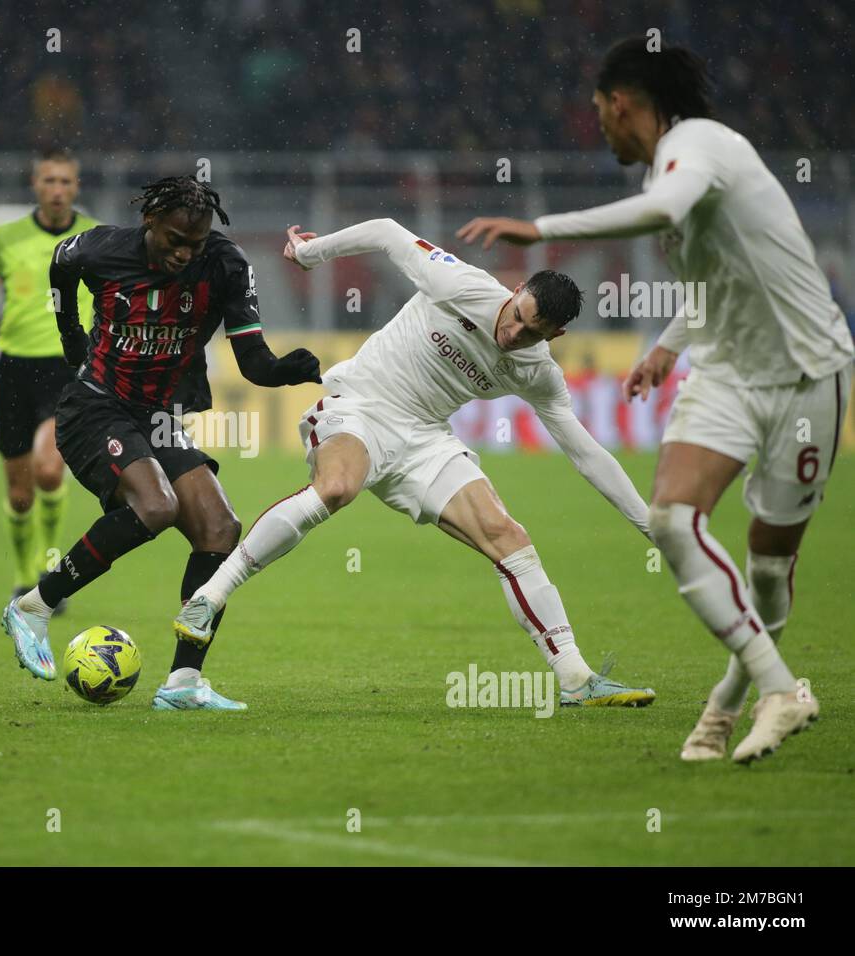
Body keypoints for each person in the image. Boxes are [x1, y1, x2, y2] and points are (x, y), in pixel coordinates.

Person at [457, 36, 852, 763]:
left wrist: (539, 229)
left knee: (769, 566)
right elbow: (714, 275)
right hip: (729, 372)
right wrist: (671, 343)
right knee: (673, 519)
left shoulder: (697, 146)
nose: (598, 125)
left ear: (621, 103)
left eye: (599, 112)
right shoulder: (672, 165)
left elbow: (665, 206)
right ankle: (781, 689)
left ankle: (724, 707)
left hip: (806, 372)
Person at [176, 217, 656, 708]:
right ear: (514, 291)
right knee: (337, 487)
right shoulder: (461, 284)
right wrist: (309, 255)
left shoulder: (539, 374)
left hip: (425, 440)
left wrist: (651, 525)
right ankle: (208, 598)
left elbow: (587, 454)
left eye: (532, 332)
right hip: (360, 406)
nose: (512, 333)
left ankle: (575, 676)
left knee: (509, 539)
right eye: (516, 314)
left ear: (557, 333)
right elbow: (387, 231)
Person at [1, 176, 322, 710]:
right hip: (94, 406)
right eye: (173, 239)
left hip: (156, 416)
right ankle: (34, 606)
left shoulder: (225, 264)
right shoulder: (103, 247)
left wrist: (286, 371)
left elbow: (253, 358)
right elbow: (60, 261)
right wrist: (68, 332)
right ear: (149, 222)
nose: (183, 252)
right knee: (155, 505)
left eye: (194, 244)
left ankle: (183, 683)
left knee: (220, 526)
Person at [0, 147, 99, 608]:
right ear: (35, 185)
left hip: (68, 368)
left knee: (49, 469)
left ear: (76, 187)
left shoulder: (95, 236)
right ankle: (23, 576)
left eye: (65, 182)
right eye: (49, 181)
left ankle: (50, 569)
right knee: (19, 495)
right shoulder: (4, 238)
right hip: (14, 371)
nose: (57, 190)